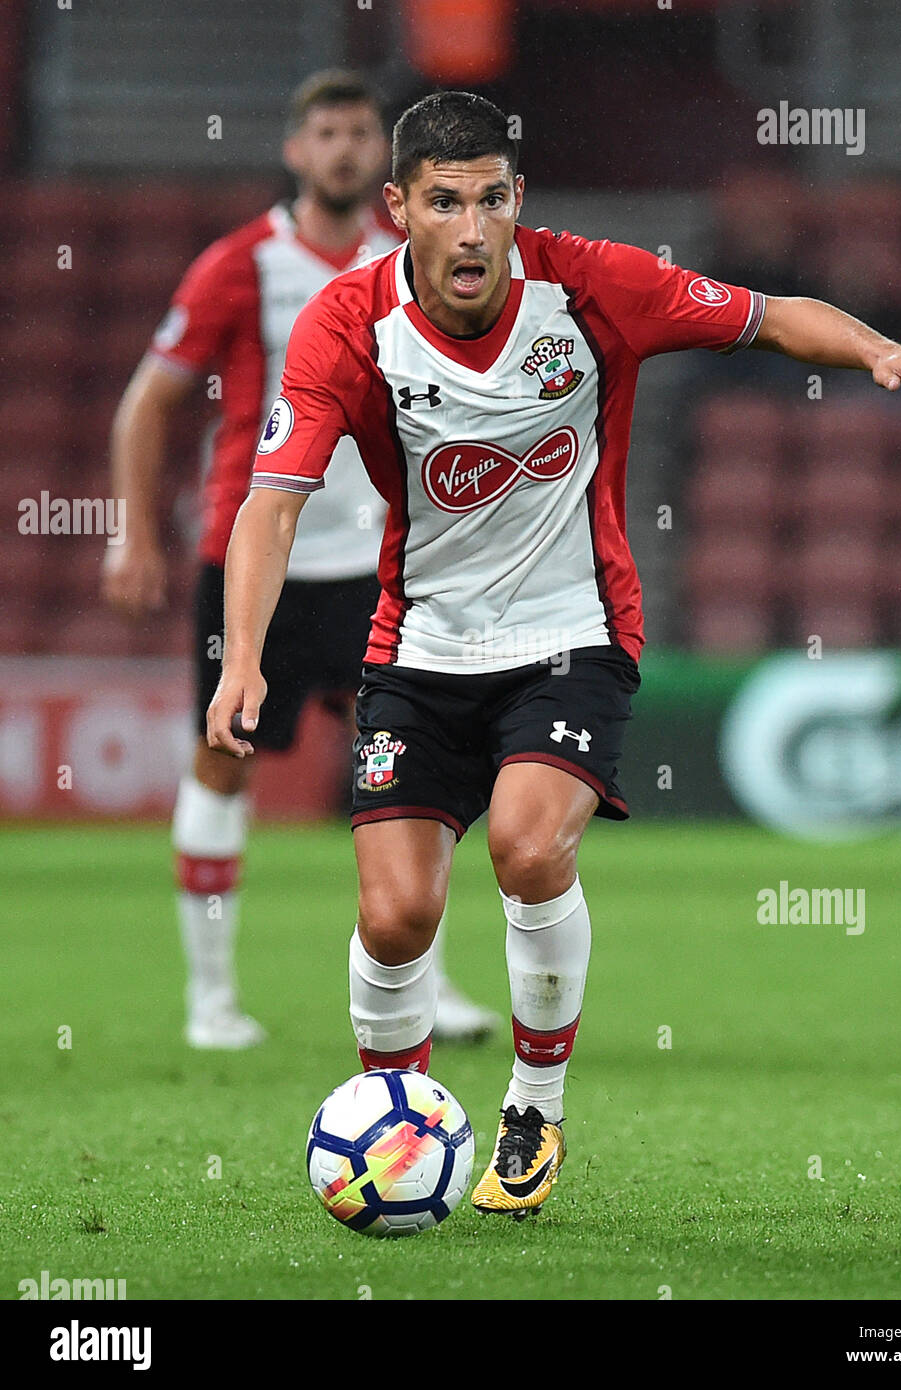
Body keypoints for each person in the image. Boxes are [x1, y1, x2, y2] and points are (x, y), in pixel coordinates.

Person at [206, 90, 901, 1216]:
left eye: (494, 201)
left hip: (571, 637)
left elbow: (764, 316)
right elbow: (271, 505)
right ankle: (397, 1122)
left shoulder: (592, 285)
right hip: (417, 647)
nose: (474, 230)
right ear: (398, 208)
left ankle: (532, 1101)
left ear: (518, 203)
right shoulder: (343, 322)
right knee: (394, 918)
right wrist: (242, 659)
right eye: (446, 203)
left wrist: (878, 348)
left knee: (523, 847)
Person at [103, 71, 499, 1051]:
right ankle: (210, 1000)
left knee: (412, 763)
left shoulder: (409, 258)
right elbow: (148, 402)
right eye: (325, 132)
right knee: (222, 760)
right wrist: (133, 530)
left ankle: (430, 986)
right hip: (257, 560)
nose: (344, 149)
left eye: (360, 133)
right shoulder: (239, 265)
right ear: (295, 149)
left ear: (383, 155)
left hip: (379, 562)